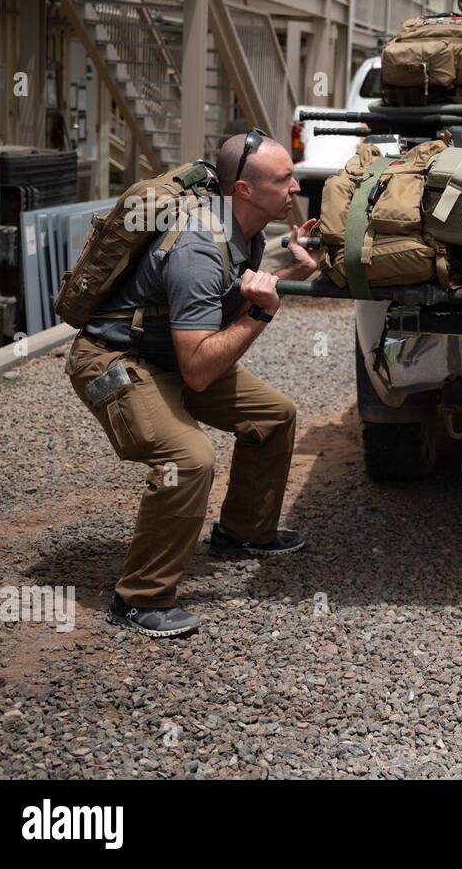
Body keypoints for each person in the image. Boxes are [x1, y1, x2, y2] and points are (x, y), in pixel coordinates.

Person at [65, 129, 321, 637]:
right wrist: (261, 316)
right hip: (118, 361)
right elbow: (201, 370)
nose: (295, 187)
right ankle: (139, 599)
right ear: (244, 190)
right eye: (284, 179)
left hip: (171, 359)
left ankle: (243, 532)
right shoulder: (199, 250)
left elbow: (241, 297)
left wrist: (297, 268)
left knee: (273, 415)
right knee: (187, 459)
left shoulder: (243, 228)